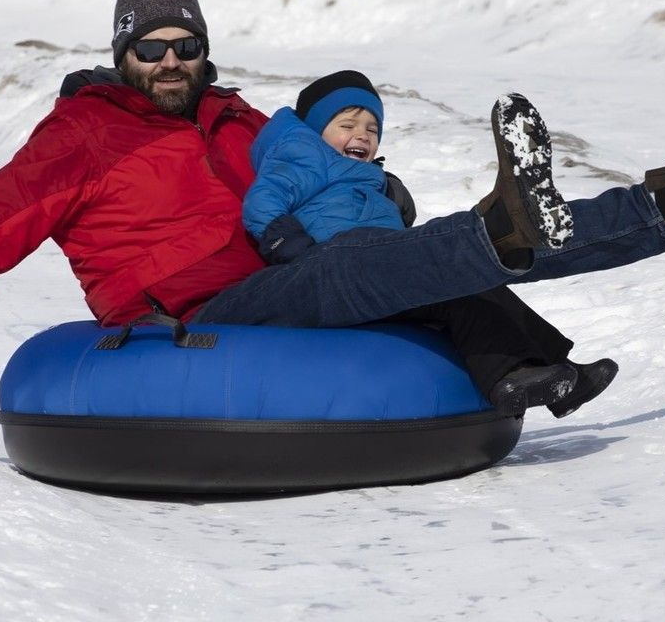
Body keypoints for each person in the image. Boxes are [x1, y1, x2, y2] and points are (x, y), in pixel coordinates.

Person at [0, 0, 665, 417]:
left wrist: (376, 187)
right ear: (121, 54)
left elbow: (310, 184)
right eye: (150, 47)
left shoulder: (238, 119)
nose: (169, 61)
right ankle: (506, 224)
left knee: (408, 244)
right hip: (196, 308)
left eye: (184, 45)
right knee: (385, 260)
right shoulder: (82, 134)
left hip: (299, 272)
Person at [239, 69, 616, 417]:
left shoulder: (361, 174)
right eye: (347, 124)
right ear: (316, 129)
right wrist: (293, 249)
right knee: (453, 280)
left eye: (373, 129)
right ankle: (513, 373)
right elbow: (264, 201)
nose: (363, 135)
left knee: (473, 284)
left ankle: (556, 373)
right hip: (340, 272)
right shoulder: (303, 155)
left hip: (379, 268)